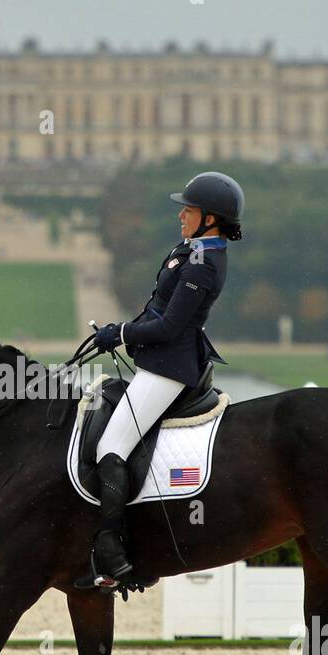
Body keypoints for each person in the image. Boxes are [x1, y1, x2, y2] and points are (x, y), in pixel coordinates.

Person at [86, 171, 244, 589]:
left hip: (169, 367)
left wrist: (120, 333)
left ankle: (113, 551)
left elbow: (172, 326)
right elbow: (155, 309)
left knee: (111, 446)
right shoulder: (189, 249)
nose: (181, 217)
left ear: (210, 218)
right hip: (155, 358)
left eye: (189, 211)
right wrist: (121, 332)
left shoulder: (206, 262)